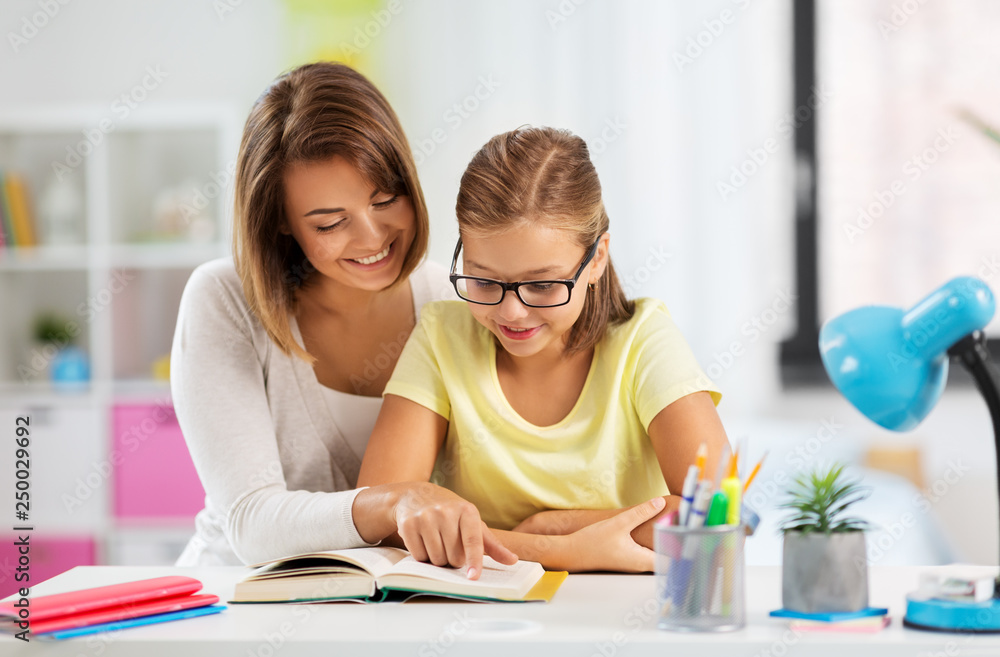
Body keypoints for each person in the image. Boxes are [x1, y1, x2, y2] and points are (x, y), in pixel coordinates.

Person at [170, 61, 515, 578]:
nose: (372, 237)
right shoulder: (223, 300)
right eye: (331, 223)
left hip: (386, 606)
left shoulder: (459, 301)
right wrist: (393, 502)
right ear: (282, 223)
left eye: (386, 199)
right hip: (233, 600)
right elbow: (250, 523)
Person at [358, 126, 731, 572]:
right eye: (483, 280)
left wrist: (557, 524)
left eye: (542, 285)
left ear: (596, 258)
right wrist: (557, 548)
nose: (512, 312)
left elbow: (718, 518)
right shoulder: (442, 337)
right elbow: (379, 519)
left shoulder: (642, 341)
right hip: (482, 615)